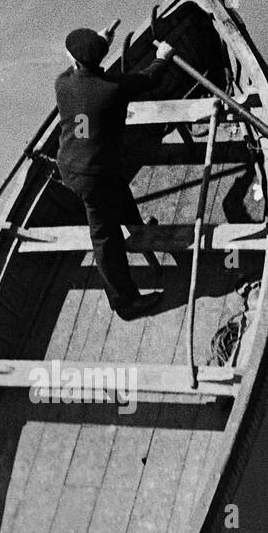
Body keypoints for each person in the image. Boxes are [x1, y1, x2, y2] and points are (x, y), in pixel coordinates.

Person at [54, 23, 173, 319]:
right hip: (92, 177)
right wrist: (164, 56)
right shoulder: (114, 88)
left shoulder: (63, 83)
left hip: (71, 165)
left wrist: (101, 43)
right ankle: (126, 304)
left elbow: (82, 69)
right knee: (106, 240)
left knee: (116, 190)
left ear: (75, 62)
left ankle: (136, 225)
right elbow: (150, 78)